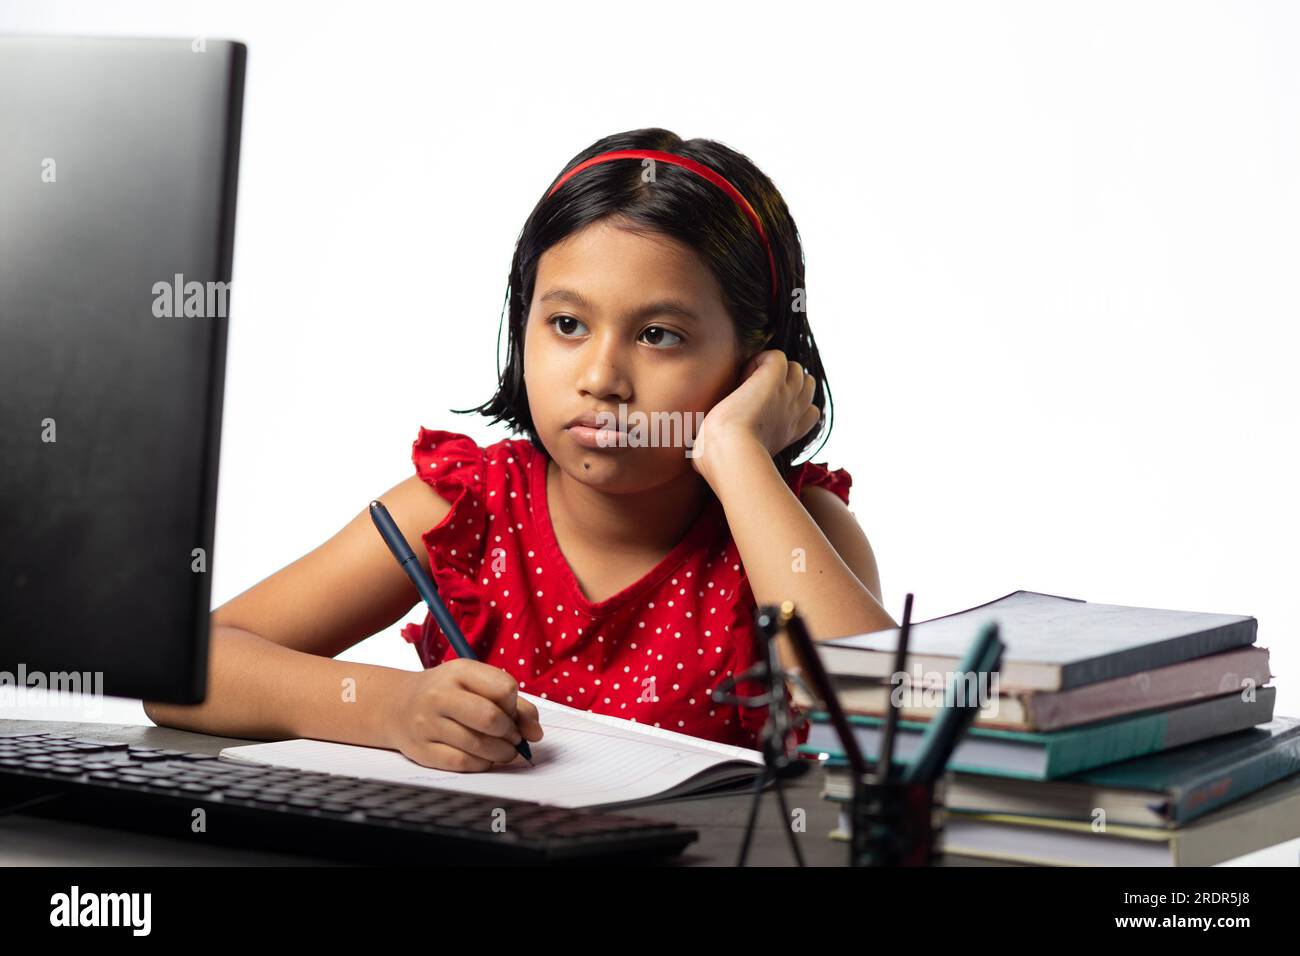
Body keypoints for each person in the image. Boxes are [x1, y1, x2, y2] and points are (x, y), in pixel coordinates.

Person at [144, 128, 894, 772]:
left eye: (659, 335)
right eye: (567, 325)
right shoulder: (463, 508)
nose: (602, 379)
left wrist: (737, 454)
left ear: (755, 361)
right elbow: (181, 672)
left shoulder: (798, 531)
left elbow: (882, 727)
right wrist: (393, 710)